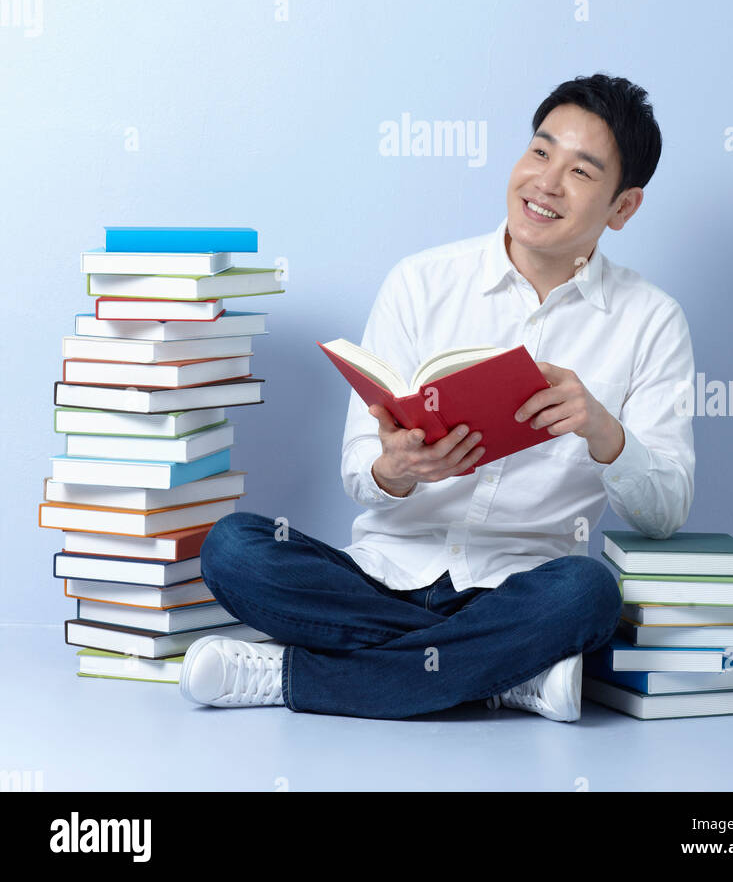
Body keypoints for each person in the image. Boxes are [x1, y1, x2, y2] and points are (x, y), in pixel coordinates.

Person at [179, 72, 696, 721]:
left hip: (518, 590)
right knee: (231, 547)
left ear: (623, 207)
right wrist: (395, 469)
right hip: (375, 577)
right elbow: (357, 474)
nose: (546, 182)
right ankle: (502, 676)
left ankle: (287, 675)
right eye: (540, 152)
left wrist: (602, 430)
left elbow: (664, 513)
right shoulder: (420, 282)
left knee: (588, 594)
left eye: (582, 172)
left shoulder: (652, 321)